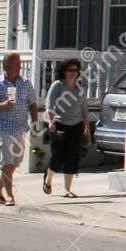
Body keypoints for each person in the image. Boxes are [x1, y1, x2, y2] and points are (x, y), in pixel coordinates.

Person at [0, 51, 37, 206]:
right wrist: (2, 105)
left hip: (20, 127)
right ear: (6, 66)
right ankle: (10, 195)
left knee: (14, 163)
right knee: (7, 162)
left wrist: (35, 122)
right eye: (16, 63)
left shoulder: (25, 83)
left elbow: (32, 103)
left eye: (20, 63)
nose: (20, 66)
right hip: (2, 126)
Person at [43, 58, 91, 197]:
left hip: (76, 126)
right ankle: (48, 179)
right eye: (70, 70)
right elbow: (49, 106)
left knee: (72, 157)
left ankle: (67, 189)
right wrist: (50, 122)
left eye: (75, 70)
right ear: (64, 71)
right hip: (59, 125)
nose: (73, 73)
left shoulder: (80, 88)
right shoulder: (57, 86)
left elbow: (84, 110)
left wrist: (87, 127)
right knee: (57, 156)